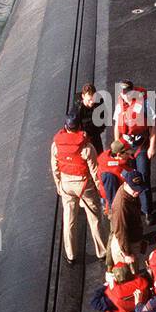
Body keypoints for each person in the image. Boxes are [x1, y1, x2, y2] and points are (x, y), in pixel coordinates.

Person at [50, 110, 106, 265]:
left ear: (66, 127)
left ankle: (70, 255)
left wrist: (58, 186)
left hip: (66, 184)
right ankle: (102, 251)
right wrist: (100, 189)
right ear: (80, 126)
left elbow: (55, 168)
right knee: (94, 218)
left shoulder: (56, 145)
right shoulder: (87, 147)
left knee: (69, 220)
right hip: (84, 184)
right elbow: (95, 171)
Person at [113, 80, 156, 219]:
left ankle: (147, 210)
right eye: (122, 93)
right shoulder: (120, 104)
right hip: (126, 146)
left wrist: (152, 146)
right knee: (128, 177)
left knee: (143, 176)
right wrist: (117, 145)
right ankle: (133, 208)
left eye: (127, 92)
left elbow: (153, 126)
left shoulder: (144, 103)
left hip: (141, 144)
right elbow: (117, 125)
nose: (124, 95)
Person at [108, 170, 146, 270]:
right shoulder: (121, 206)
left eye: (139, 189)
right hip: (126, 245)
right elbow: (121, 231)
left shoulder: (129, 193)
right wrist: (127, 253)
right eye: (134, 189)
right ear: (125, 184)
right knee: (130, 275)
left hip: (131, 239)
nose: (137, 192)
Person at [96, 139, 129, 214]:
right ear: (118, 155)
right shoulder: (109, 175)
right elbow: (112, 199)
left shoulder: (117, 163)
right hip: (116, 205)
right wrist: (116, 212)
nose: (129, 155)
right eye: (127, 153)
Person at [76, 81, 106, 152]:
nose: (92, 102)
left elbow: (103, 117)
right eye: (89, 100)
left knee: (99, 154)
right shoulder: (77, 108)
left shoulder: (99, 102)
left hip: (95, 133)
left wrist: (99, 129)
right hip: (82, 136)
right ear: (83, 97)